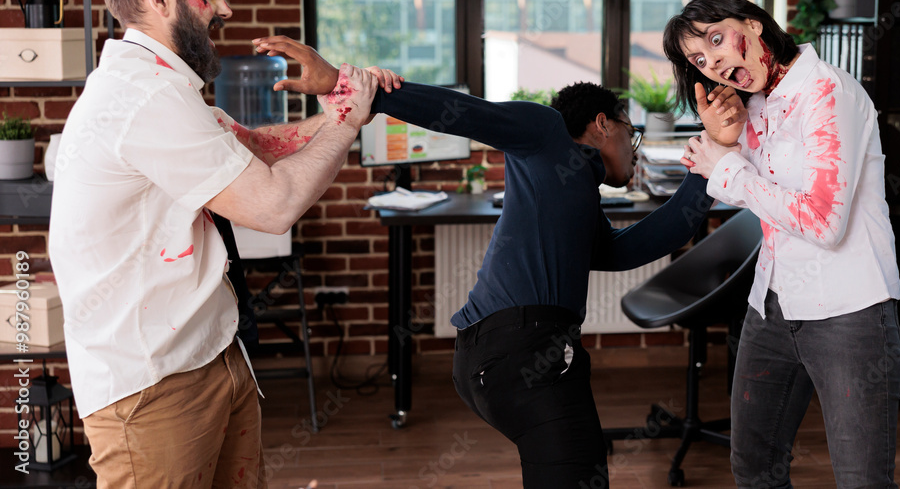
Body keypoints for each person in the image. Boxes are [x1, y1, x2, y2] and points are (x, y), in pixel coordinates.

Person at [252, 37, 747, 488]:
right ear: (602, 124)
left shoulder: (577, 190)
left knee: (581, 467)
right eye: (630, 135)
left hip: (501, 355)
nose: (634, 152)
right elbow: (466, 114)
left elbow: (630, 247)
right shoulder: (547, 132)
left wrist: (713, 157)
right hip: (520, 351)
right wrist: (348, 87)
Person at [48, 0, 398, 488]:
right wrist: (347, 121)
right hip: (153, 383)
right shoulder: (143, 97)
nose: (226, 9)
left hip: (211, 352)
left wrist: (342, 103)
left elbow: (254, 147)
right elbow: (274, 205)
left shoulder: (162, 85)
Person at [662, 0, 900, 489]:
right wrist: (724, 141)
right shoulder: (755, 106)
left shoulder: (827, 92)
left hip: (849, 311)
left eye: (715, 40)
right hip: (771, 306)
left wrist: (725, 166)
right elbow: (743, 192)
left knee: (862, 481)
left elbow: (823, 222)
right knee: (754, 467)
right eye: (699, 60)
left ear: (752, 24)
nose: (714, 63)